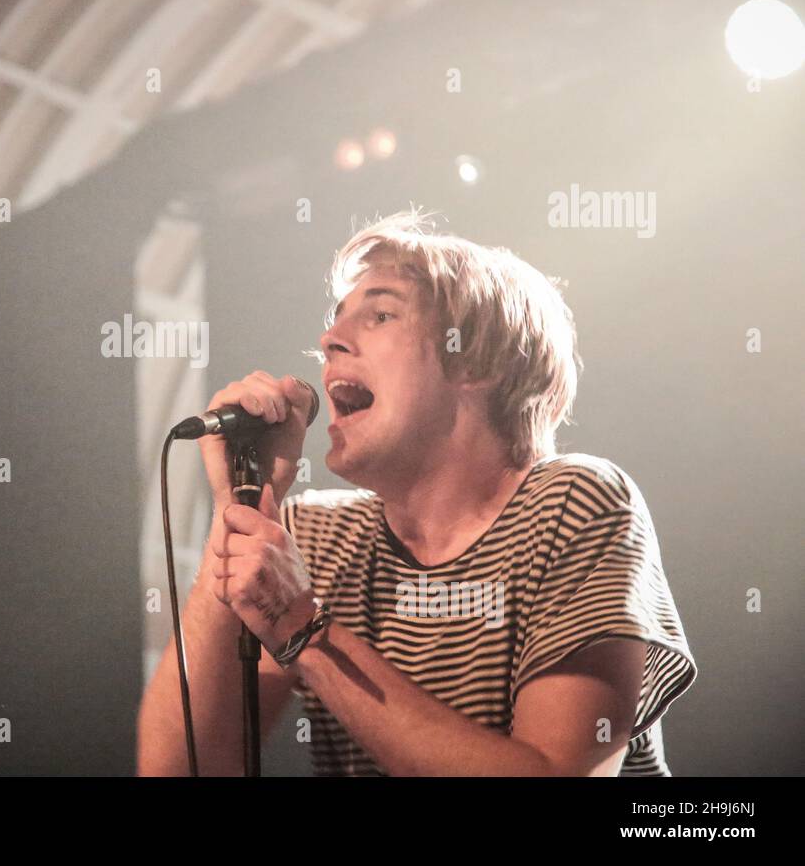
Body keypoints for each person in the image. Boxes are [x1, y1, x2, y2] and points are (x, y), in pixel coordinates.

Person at [136, 210, 696, 776]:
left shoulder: (575, 502)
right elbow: (177, 771)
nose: (329, 339)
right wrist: (236, 508)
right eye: (335, 321)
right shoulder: (318, 538)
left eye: (380, 314)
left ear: (475, 359)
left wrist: (302, 624)